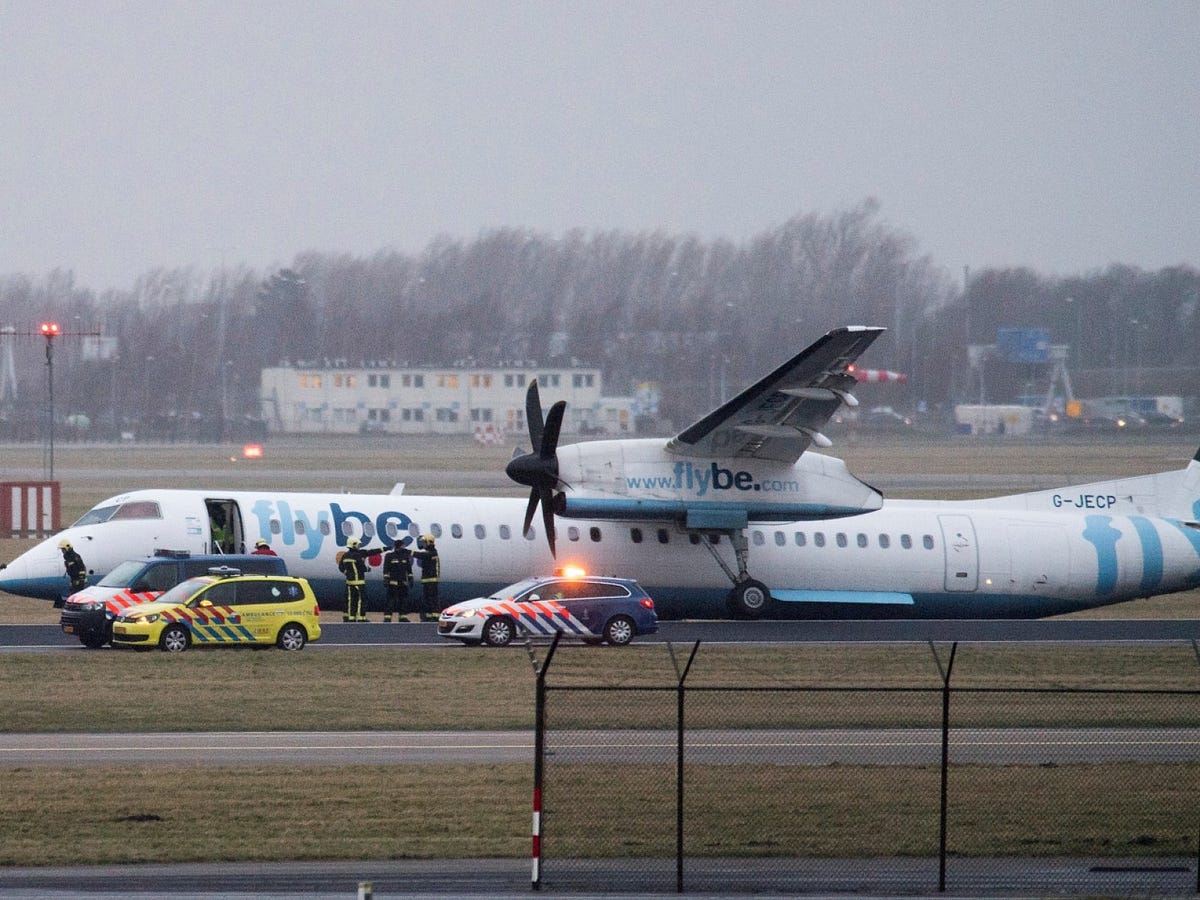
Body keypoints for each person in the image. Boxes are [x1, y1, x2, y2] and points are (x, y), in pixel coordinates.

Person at [337, 537, 379, 622]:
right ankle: (361, 617)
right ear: (354, 545)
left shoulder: (345, 555)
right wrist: (368, 569)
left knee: (351, 600)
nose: (359, 546)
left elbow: (340, 566)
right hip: (359, 582)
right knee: (361, 600)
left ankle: (350, 618)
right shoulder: (357, 555)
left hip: (349, 582)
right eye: (358, 544)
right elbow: (361, 567)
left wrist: (346, 572)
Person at [381, 537, 414, 622]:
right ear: (399, 546)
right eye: (403, 546)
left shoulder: (405, 557)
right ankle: (387, 617)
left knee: (403, 601)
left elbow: (409, 569)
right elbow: (386, 569)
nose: (404, 548)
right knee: (390, 601)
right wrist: (386, 579)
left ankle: (403, 617)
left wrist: (410, 579)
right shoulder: (389, 556)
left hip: (403, 583)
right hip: (393, 583)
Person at [412, 533, 441, 621]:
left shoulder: (432, 553)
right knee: (427, 599)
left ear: (429, 542)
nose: (423, 545)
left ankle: (435, 616)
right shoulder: (429, 553)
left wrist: (409, 552)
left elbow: (421, 555)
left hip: (432, 581)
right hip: (426, 580)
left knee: (432, 599)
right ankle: (428, 616)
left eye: (424, 542)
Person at [58, 539, 88, 607]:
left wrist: (81, 580)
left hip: (79, 582)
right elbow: (71, 572)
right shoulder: (68, 558)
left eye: (63, 549)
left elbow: (81, 568)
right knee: (74, 597)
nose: (62, 551)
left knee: (76, 598)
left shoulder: (75, 557)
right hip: (74, 581)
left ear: (67, 548)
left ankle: (78, 609)